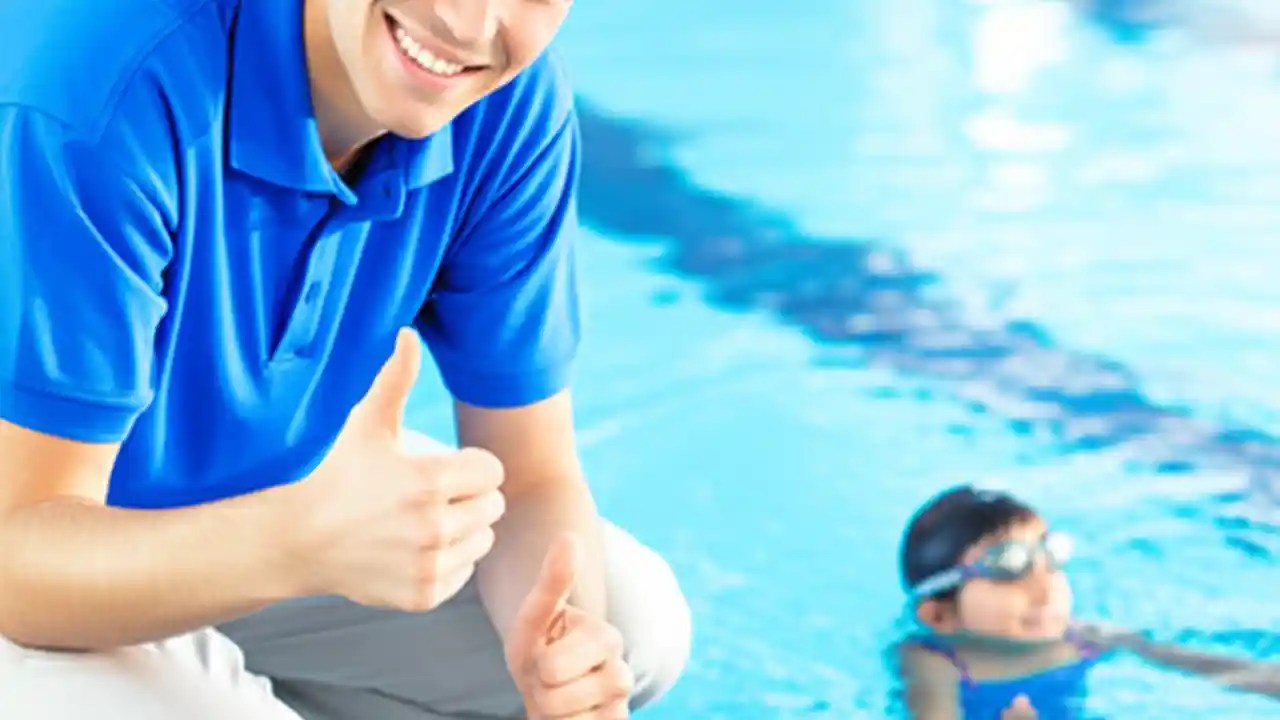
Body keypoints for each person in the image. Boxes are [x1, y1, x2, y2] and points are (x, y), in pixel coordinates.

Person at [0, 0, 692, 717]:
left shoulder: (502, 101)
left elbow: (532, 472)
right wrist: (297, 543)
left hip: (252, 521)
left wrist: (559, 651)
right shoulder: (99, 88)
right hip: (39, 555)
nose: (468, 22)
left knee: (632, 624)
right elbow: (16, 565)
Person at [894, 485, 1278, 719]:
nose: (1045, 587)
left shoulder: (1079, 635)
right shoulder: (935, 661)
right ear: (939, 614)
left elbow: (1206, 667)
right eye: (1009, 568)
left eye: (1051, 558)